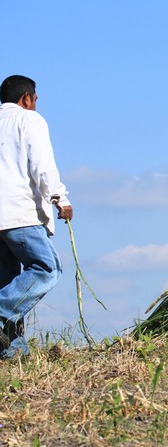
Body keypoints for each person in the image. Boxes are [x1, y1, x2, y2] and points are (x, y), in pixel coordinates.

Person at [0, 75, 73, 359]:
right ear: (27, 98)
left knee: (9, 283)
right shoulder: (29, 120)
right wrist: (60, 197)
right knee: (47, 267)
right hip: (20, 213)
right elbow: (41, 164)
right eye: (35, 100)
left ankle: (13, 351)